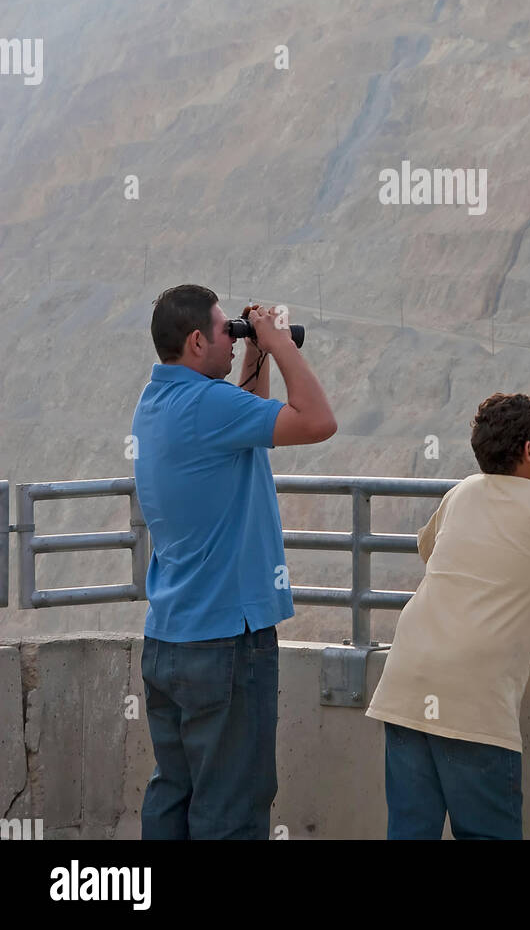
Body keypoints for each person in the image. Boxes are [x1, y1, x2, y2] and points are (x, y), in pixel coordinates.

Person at [365, 391, 530, 839]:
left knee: (410, 831)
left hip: (407, 683)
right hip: (473, 700)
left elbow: (428, 552)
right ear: (529, 451)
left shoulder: (462, 492)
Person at [132, 284, 336, 840]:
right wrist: (278, 341)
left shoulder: (158, 402)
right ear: (197, 341)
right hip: (226, 643)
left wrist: (254, 354)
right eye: (228, 330)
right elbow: (317, 420)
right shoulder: (207, 405)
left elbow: (246, 425)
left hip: (172, 640)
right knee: (232, 807)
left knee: (174, 797)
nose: (234, 336)